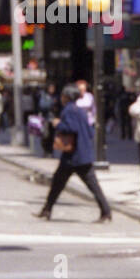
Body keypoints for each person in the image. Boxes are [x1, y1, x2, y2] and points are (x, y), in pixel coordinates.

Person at [34, 84, 113, 223]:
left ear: (67, 97)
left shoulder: (68, 110)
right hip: (82, 153)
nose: (61, 98)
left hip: (74, 155)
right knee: (66, 183)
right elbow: (90, 131)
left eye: (63, 95)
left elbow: (71, 128)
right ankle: (47, 209)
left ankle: (47, 209)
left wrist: (57, 124)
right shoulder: (81, 111)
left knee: (60, 182)